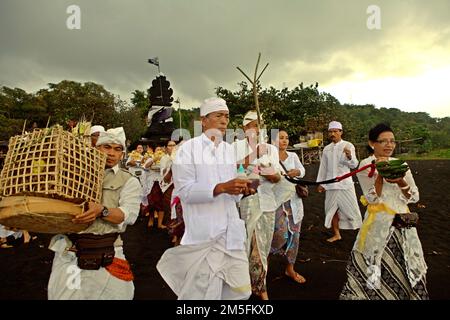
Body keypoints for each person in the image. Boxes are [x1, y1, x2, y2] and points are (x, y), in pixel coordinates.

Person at [157, 97, 253, 300]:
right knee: (204, 294)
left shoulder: (228, 150)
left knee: (241, 292)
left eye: (226, 116)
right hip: (204, 234)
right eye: (218, 115)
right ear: (204, 120)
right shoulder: (187, 150)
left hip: (231, 233)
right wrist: (220, 187)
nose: (224, 120)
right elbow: (185, 191)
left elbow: (230, 192)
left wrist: (241, 190)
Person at [47, 127, 142, 300]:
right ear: (96, 148)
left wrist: (102, 210)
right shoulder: (73, 175)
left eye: (117, 149)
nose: (112, 153)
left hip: (108, 252)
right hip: (71, 252)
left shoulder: (129, 180)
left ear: (122, 154)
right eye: (107, 147)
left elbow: (129, 215)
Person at [340, 123, 428, 300]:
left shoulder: (401, 164)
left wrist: (401, 181)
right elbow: (372, 198)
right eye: (383, 141)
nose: (389, 145)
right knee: (376, 260)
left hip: (403, 221)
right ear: (372, 143)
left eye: (392, 141)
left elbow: (414, 196)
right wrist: (380, 175)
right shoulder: (366, 165)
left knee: (407, 262)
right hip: (378, 222)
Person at [233, 110, 281, 300]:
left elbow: (276, 177)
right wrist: (254, 156)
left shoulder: (271, 149)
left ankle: (259, 283)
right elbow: (234, 169)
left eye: (260, 126)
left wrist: (261, 169)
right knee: (248, 243)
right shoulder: (236, 146)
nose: (258, 129)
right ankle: (257, 288)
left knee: (263, 246)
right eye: (254, 125)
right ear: (245, 128)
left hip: (268, 202)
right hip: (247, 202)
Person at [270, 129, 307, 284]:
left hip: (294, 202)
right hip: (277, 203)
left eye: (286, 138)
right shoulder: (269, 157)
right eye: (280, 138)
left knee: (295, 236)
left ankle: (289, 268)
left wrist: (297, 171)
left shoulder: (293, 156)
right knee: (278, 234)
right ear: (273, 141)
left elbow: (303, 171)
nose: (284, 141)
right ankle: (261, 264)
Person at [316, 121, 362, 242]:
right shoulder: (326, 149)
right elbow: (323, 168)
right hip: (331, 185)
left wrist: (349, 156)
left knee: (352, 209)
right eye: (330, 131)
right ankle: (337, 234)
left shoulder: (348, 145)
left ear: (341, 132)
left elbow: (354, 165)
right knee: (331, 210)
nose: (332, 134)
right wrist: (321, 183)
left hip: (345, 184)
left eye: (335, 131)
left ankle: (361, 233)